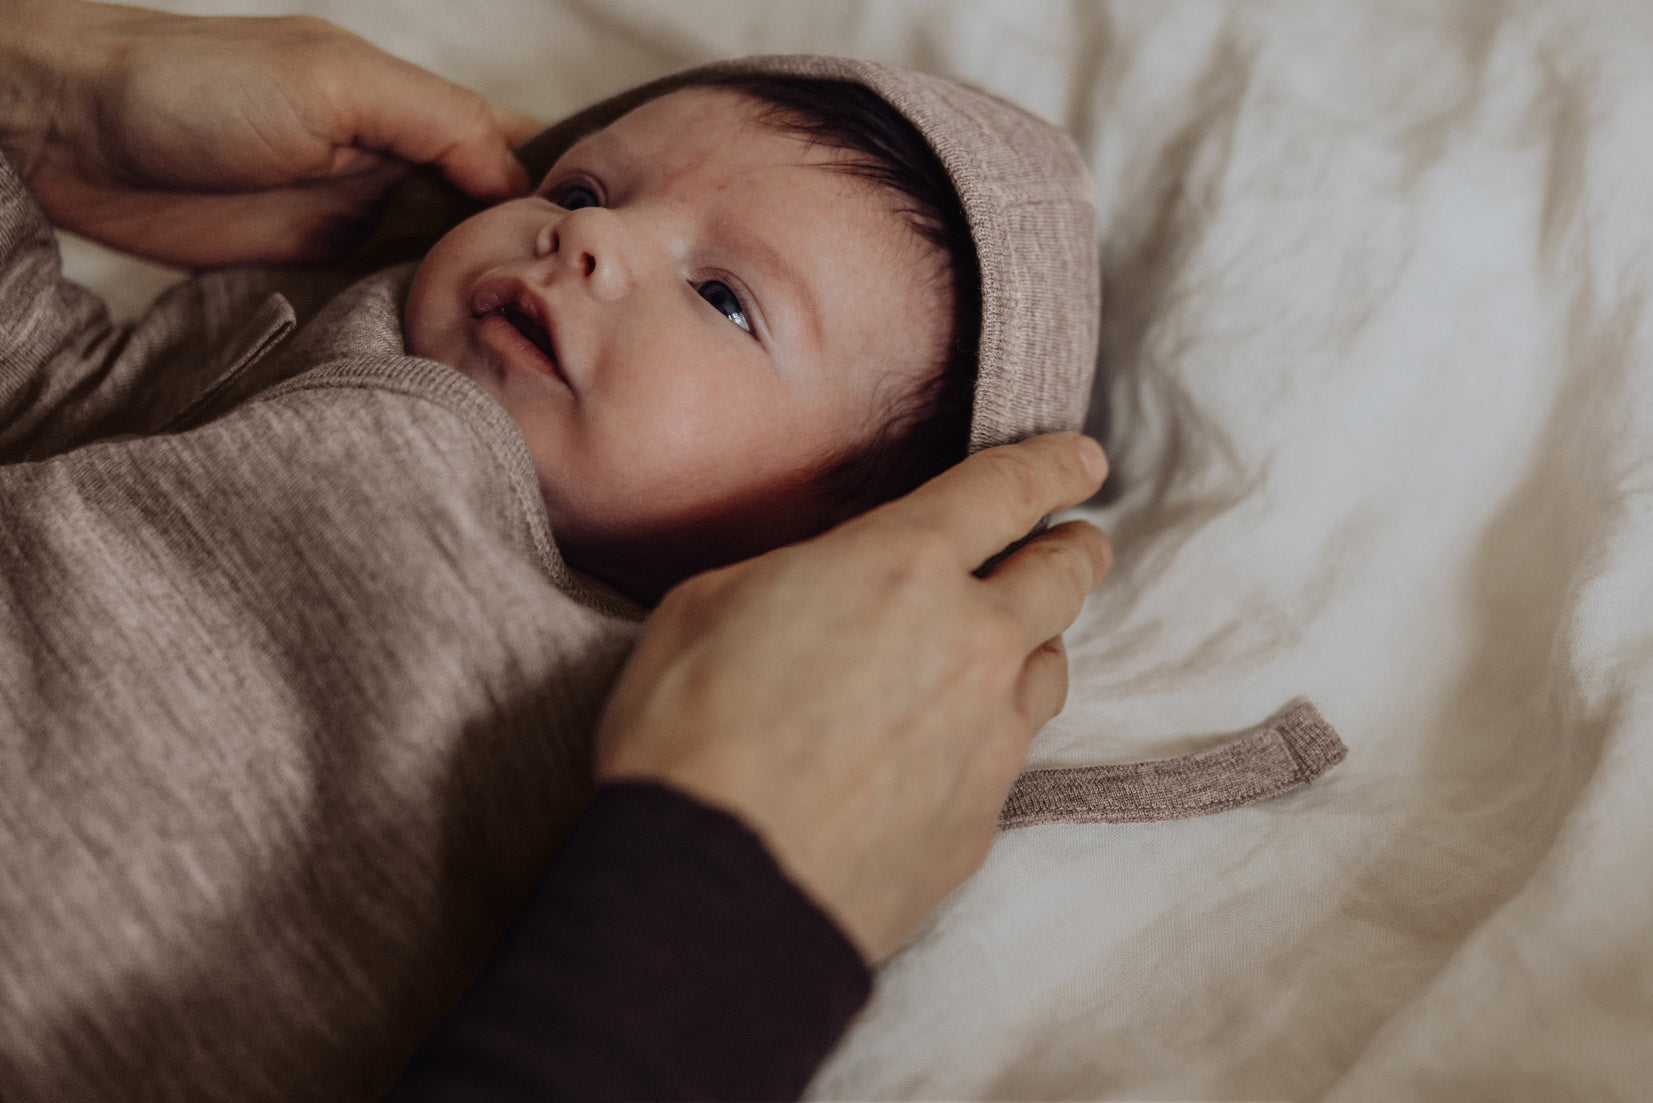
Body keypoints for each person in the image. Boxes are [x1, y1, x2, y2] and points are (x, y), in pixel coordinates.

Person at [0, 1, 1111, 1099]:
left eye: (724, 300)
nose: (592, 237)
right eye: (581, 187)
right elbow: (48, 380)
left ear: (854, 548)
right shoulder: (326, 340)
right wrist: (30, 92)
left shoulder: (663, 714)